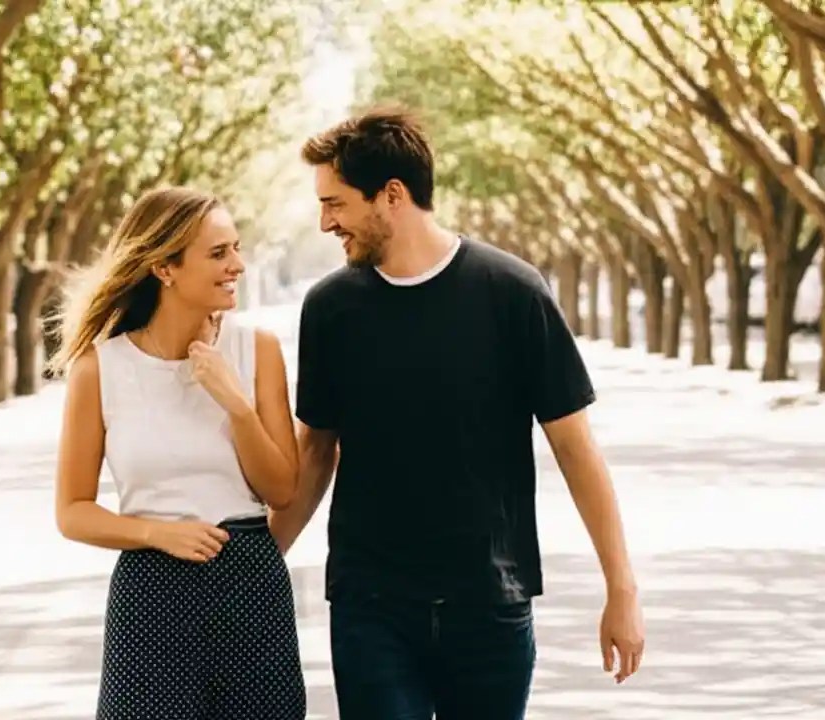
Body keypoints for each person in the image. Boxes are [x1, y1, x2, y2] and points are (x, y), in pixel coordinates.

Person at [269, 108, 646, 719]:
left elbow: (576, 450)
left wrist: (621, 589)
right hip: (371, 607)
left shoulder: (513, 292)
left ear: (392, 195)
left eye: (335, 203)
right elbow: (315, 451)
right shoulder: (330, 309)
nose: (325, 222)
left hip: (490, 605)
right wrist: (256, 569)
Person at [50, 186, 306, 720]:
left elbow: (282, 489)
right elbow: (72, 512)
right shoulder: (99, 369)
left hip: (249, 584)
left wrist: (237, 405)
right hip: (150, 592)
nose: (237, 265)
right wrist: (156, 533)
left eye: (236, 248)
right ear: (165, 268)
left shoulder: (257, 350)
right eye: (218, 253)